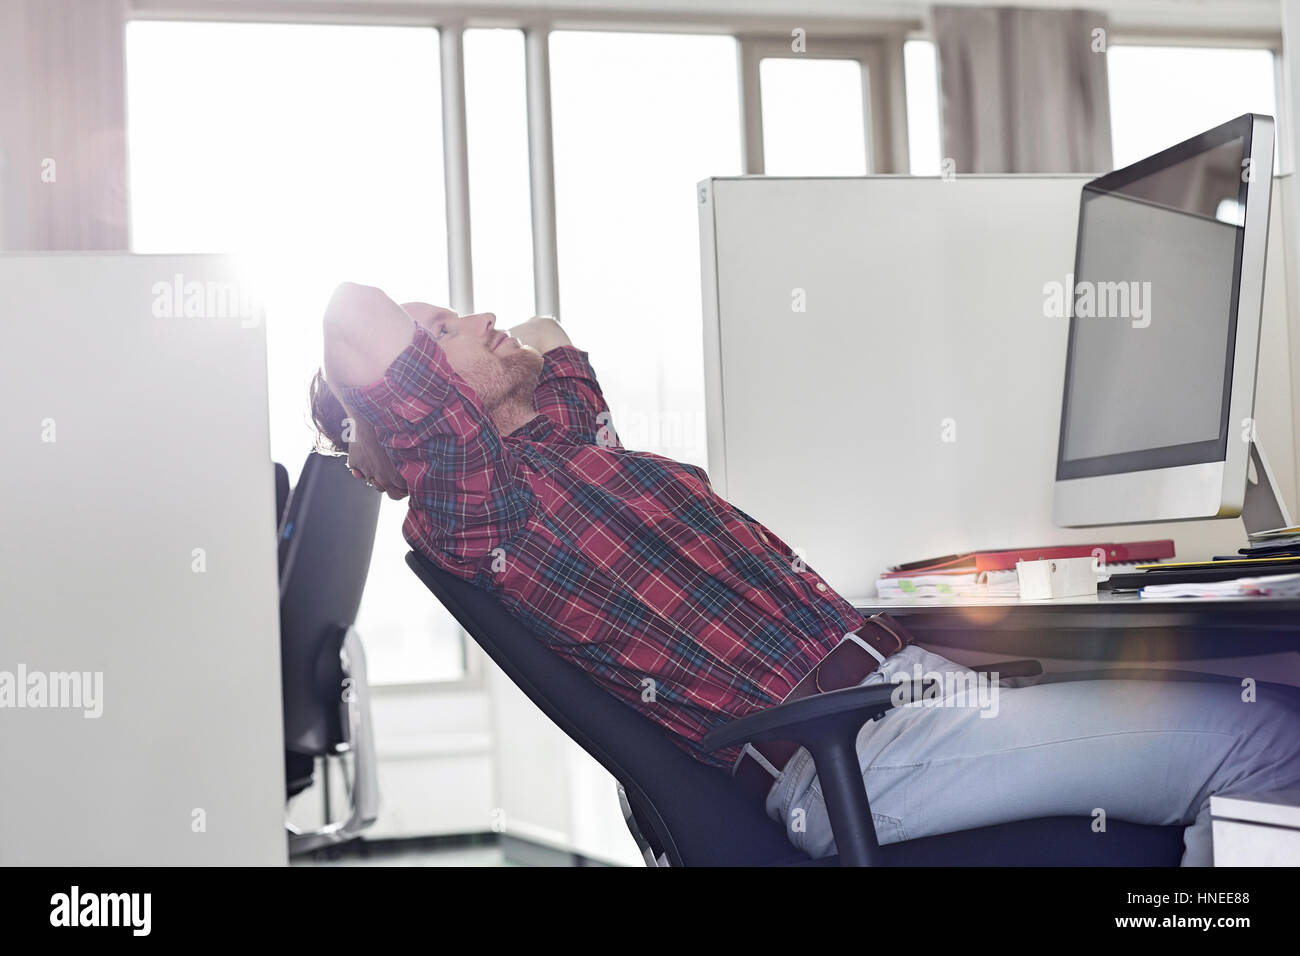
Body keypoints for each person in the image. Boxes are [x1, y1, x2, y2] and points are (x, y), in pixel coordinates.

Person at [310, 281, 1300, 865]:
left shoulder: (562, 459)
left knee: (1219, 715)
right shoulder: (483, 505)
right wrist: (373, 433)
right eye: (439, 329)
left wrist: (495, 352)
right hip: (861, 756)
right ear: (416, 417)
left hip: (909, 700)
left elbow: (550, 336)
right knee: (1261, 739)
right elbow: (352, 315)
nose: (477, 316)